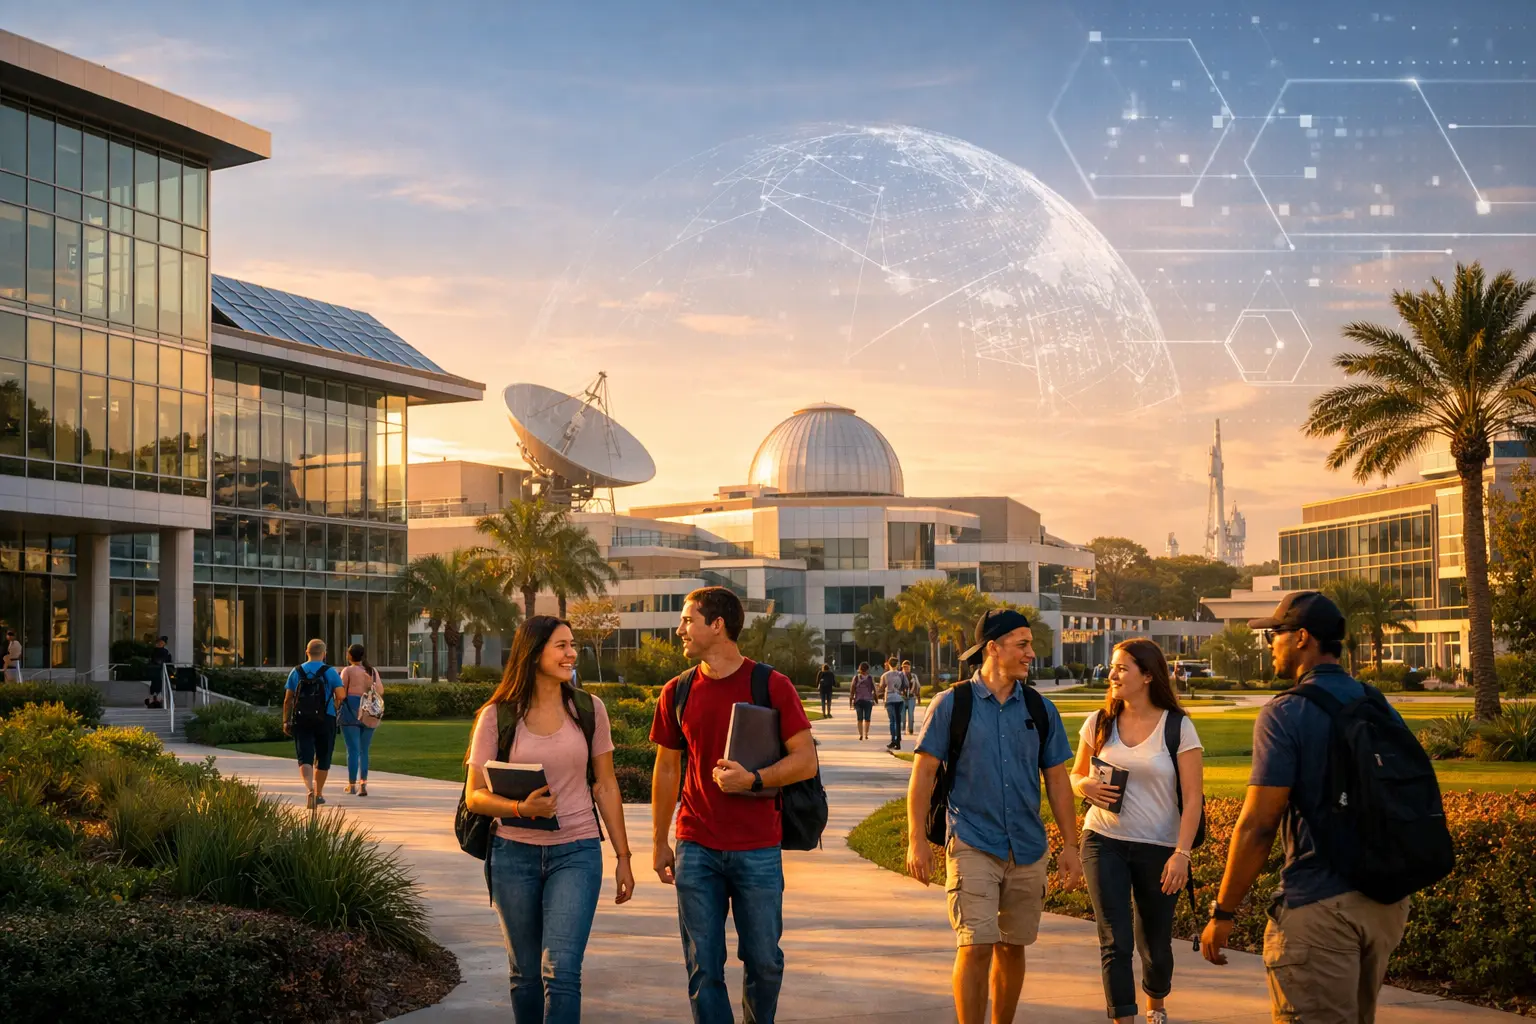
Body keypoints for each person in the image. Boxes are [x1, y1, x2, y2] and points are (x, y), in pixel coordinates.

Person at [1199, 592, 1415, 1024]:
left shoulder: (1287, 712)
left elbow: (1259, 825)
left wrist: (1223, 912)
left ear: (1301, 638)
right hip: (1385, 905)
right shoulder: (1376, 703)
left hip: (1320, 905)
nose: (1270, 644)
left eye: (1274, 634)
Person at [906, 608, 1084, 1024]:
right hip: (972, 841)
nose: (1030, 653)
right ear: (993, 648)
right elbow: (923, 775)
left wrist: (1071, 846)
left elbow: (1057, 781)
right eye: (1022, 644)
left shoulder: (1041, 710)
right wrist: (917, 840)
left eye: (1030, 645)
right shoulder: (952, 704)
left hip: (1026, 846)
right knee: (975, 943)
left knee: (1013, 946)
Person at [649, 586, 817, 1024]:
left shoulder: (770, 684)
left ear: (717, 624)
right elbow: (667, 769)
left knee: (764, 962)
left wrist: (754, 779)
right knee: (703, 967)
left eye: (688, 620)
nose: (680, 628)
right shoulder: (678, 691)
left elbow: (805, 761)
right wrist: (658, 841)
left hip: (758, 848)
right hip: (695, 845)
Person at [463, 615, 634, 1023]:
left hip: (577, 852)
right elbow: (475, 796)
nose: (571, 652)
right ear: (533, 652)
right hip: (512, 855)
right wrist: (522, 809)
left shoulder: (589, 710)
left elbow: (606, 786)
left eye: (572, 644)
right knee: (524, 974)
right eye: (561, 645)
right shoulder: (497, 716)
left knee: (561, 971)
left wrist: (624, 856)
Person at [1070, 638, 1204, 1024]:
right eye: (1112, 667)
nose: (1112, 674)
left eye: (1122, 668)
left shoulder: (1177, 727)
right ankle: (1123, 1019)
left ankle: (1156, 1006)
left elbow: (1193, 798)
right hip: (1102, 840)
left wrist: (1182, 853)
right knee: (1115, 940)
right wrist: (1085, 787)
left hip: (1159, 847)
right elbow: (1077, 773)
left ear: (1147, 676)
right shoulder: (1099, 721)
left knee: (1155, 945)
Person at [281, 638, 345, 810]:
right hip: (326, 718)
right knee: (323, 757)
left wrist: (286, 721)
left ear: (306, 652)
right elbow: (341, 695)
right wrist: (336, 704)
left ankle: (309, 788)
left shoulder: (296, 671)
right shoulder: (329, 671)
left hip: (302, 719)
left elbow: (288, 699)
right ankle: (319, 793)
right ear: (324, 654)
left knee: (305, 756)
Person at [338, 643, 385, 796]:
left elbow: (341, 692)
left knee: (353, 750)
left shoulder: (348, 671)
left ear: (350, 655)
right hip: (369, 711)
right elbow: (380, 691)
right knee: (364, 750)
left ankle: (352, 785)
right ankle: (363, 784)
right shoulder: (372, 671)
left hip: (351, 710)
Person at [878, 658, 909, 750]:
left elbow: (881, 688)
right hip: (899, 699)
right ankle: (898, 740)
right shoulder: (901, 674)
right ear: (897, 664)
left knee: (892, 721)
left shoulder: (885, 675)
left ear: (888, 664)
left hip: (890, 699)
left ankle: (893, 740)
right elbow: (906, 685)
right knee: (898, 720)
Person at [144, 635, 173, 708]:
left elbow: (165, 661)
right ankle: (154, 699)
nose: (160, 644)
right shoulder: (154, 651)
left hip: (160, 671)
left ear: (164, 644)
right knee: (154, 685)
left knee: (158, 685)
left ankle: (157, 699)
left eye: (161, 642)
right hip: (155, 670)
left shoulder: (165, 652)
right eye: (159, 642)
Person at [849, 661, 876, 741]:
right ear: (868, 669)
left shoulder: (856, 678)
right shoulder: (870, 678)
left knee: (859, 719)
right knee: (867, 718)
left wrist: (851, 700)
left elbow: (852, 690)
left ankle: (861, 734)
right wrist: (875, 698)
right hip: (868, 700)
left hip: (858, 700)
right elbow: (874, 689)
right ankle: (866, 734)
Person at [902, 660, 920, 735]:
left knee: (910, 714)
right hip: (902, 697)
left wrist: (918, 696)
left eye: (907, 667)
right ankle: (902, 728)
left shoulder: (914, 676)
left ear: (910, 668)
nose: (906, 669)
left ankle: (911, 729)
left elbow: (918, 686)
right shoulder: (900, 675)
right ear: (902, 667)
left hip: (911, 697)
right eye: (904, 667)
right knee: (902, 714)